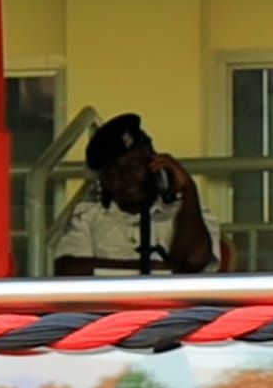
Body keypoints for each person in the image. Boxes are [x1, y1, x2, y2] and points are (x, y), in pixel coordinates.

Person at [53, 113, 219, 276]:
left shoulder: (189, 212)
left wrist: (188, 188)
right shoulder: (88, 217)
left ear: (154, 162)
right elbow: (67, 268)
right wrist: (150, 268)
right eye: (114, 171)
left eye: (135, 163)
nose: (127, 176)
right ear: (104, 181)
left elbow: (192, 260)